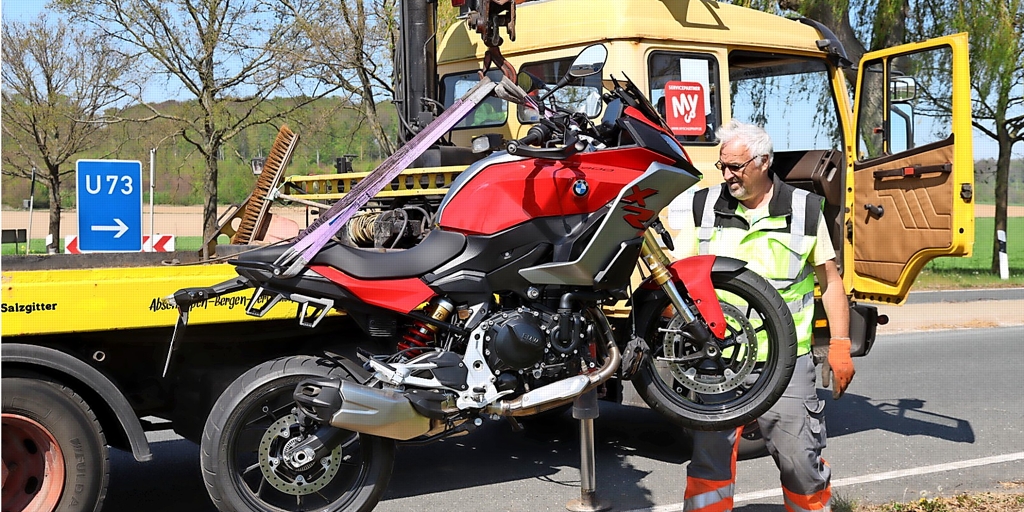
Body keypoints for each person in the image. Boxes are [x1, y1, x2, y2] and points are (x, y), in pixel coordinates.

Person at [666, 120, 855, 512]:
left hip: (785, 360)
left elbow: (830, 281)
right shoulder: (703, 206)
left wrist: (839, 343)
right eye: (723, 166)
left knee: (799, 459)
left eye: (736, 166)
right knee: (709, 462)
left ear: (764, 162)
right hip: (718, 360)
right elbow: (677, 279)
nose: (727, 175)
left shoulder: (803, 209)